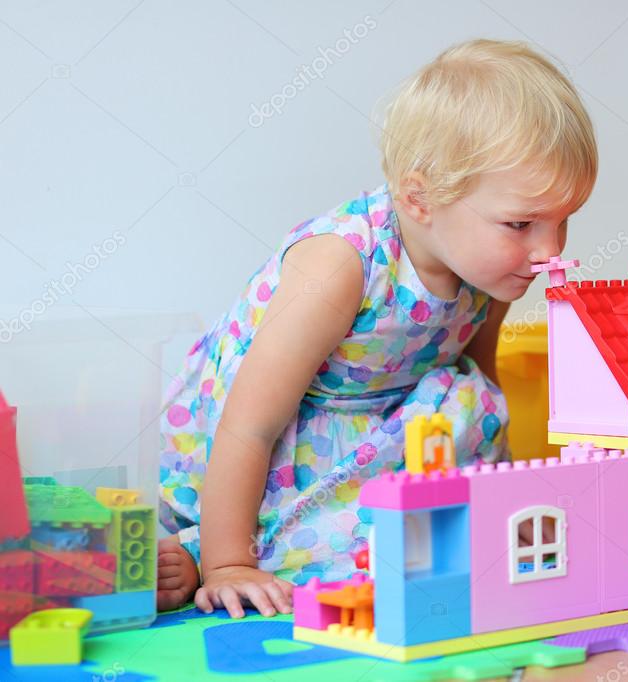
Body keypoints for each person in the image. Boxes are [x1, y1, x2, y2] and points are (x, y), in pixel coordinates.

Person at [155, 38, 599, 618]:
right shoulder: (341, 265)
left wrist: (504, 499)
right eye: (521, 224)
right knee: (374, 554)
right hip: (273, 441)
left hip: (384, 429)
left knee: (469, 396)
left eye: (564, 221)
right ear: (420, 199)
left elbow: (484, 395)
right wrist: (227, 563)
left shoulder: (490, 274)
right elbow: (249, 425)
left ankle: (440, 532)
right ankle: (211, 550)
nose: (549, 251)